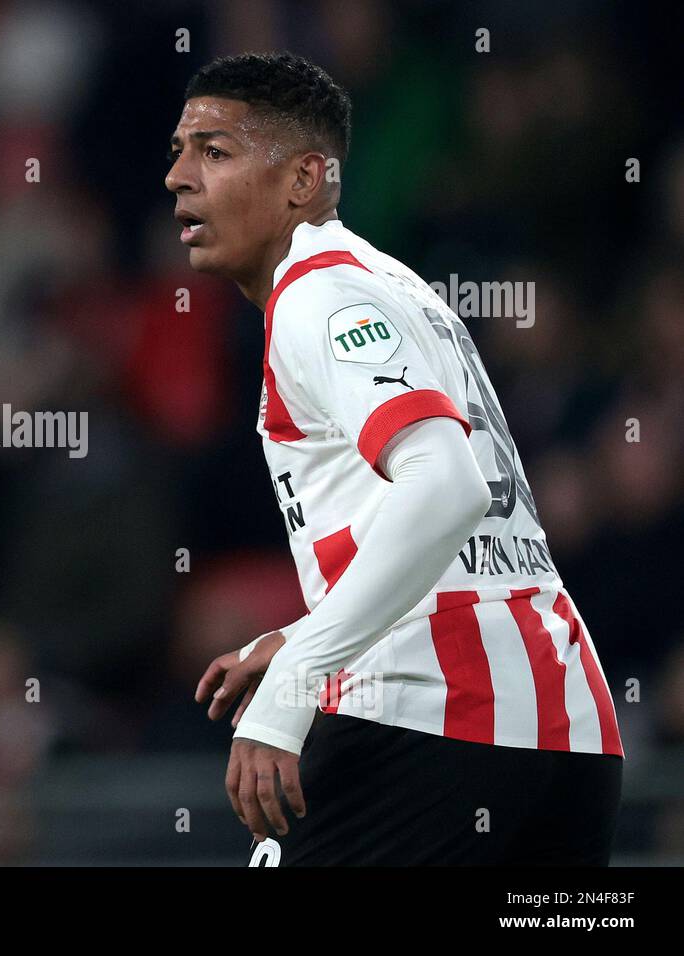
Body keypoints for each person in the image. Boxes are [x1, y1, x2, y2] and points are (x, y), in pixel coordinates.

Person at [171, 53, 623, 865]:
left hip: (439, 723)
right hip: (567, 733)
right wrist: (320, 632)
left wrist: (300, 674)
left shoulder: (319, 296)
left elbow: (447, 489)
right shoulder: (401, 288)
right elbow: (453, 519)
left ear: (304, 178)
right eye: (180, 150)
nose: (178, 176)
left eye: (214, 151)